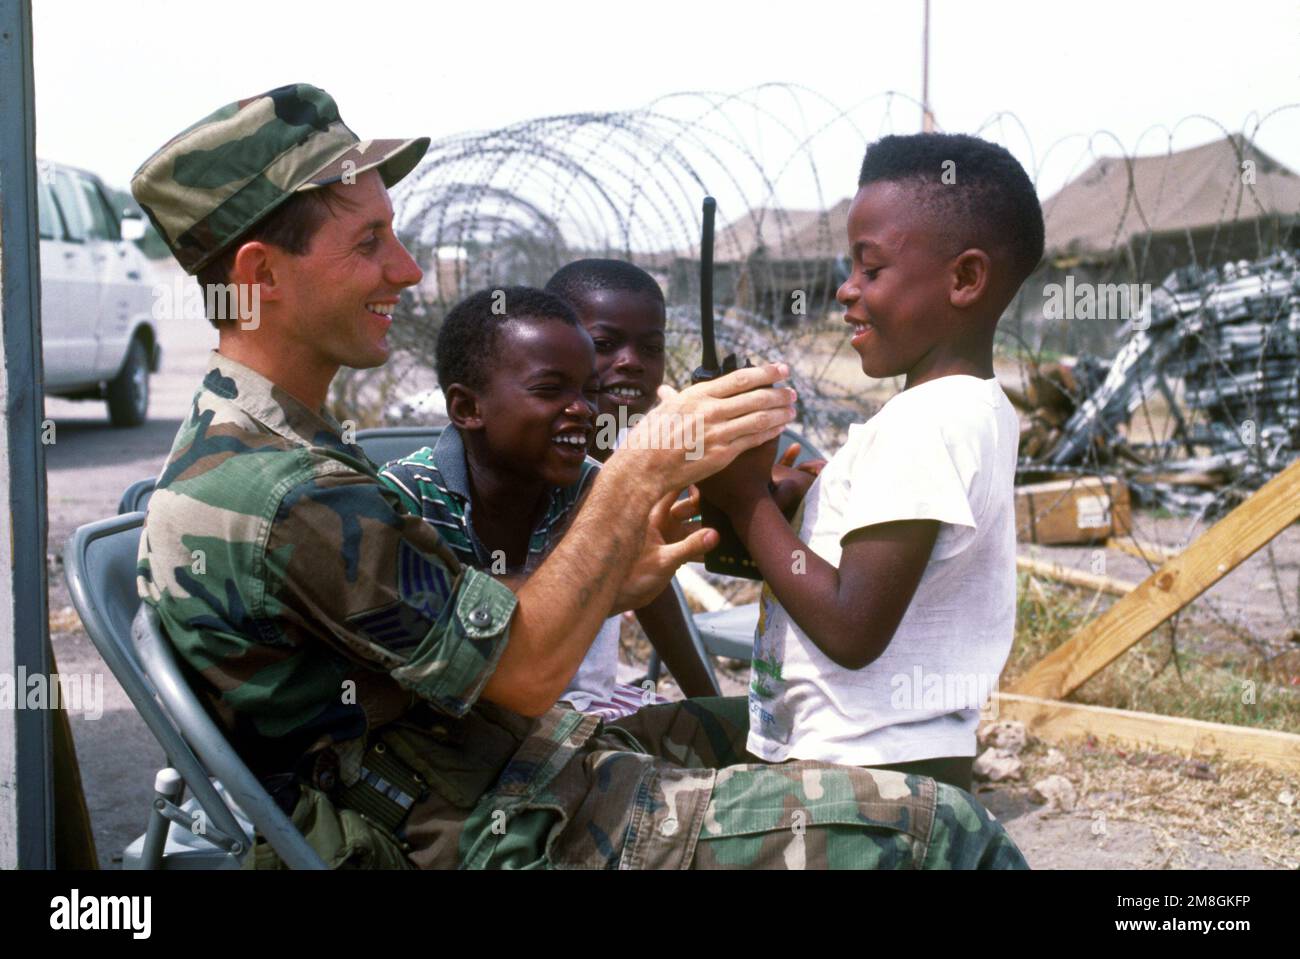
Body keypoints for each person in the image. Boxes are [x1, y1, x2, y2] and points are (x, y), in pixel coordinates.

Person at [131, 85, 1028, 869]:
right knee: (937, 829)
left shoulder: (266, 449)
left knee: (763, 730)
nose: (404, 270)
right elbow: (517, 670)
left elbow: (451, 637)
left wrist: (618, 576)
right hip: (485, 830)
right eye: (370, 243)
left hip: (488, 772)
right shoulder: (280, 491)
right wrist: (636, 471)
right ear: (262, 275)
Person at [699, 133, 1042, 793]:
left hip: (862, 780)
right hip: (895, 759)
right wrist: (799, 508)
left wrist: (749, 502)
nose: (845, 290)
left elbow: (852, 625)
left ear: (965, 278)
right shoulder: (968, 408)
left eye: (870, 269)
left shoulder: (923, 424)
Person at [377, 284, 697, 719]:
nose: (582, 409)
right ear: (468, 408)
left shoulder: (589, 487)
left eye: (588, 391)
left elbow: (647, 583)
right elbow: (447, 637)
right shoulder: (404, 498)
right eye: (550, 390)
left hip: (570, 717)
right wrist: (604, 587)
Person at [543, 259, 721, 705]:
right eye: (605, 344)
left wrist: (707, 704)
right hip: (542, 715)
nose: (632, 363)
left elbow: (649, 588)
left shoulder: (633, 448)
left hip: (599, 701)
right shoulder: (532, 463)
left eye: (651, 347)